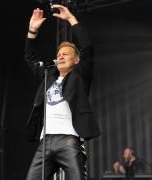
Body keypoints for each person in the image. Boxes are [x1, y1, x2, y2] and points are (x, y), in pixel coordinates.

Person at [25, 4, 100, 180]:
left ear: (77, 59)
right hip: (45, 141)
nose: (61, 56)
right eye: (59, 54)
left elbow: (87, 47)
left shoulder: (79, 76)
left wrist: (70, 19)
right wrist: (32, 32)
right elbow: (30, 59)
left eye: (66, 54)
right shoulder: (48, 76)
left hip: (69, 140)